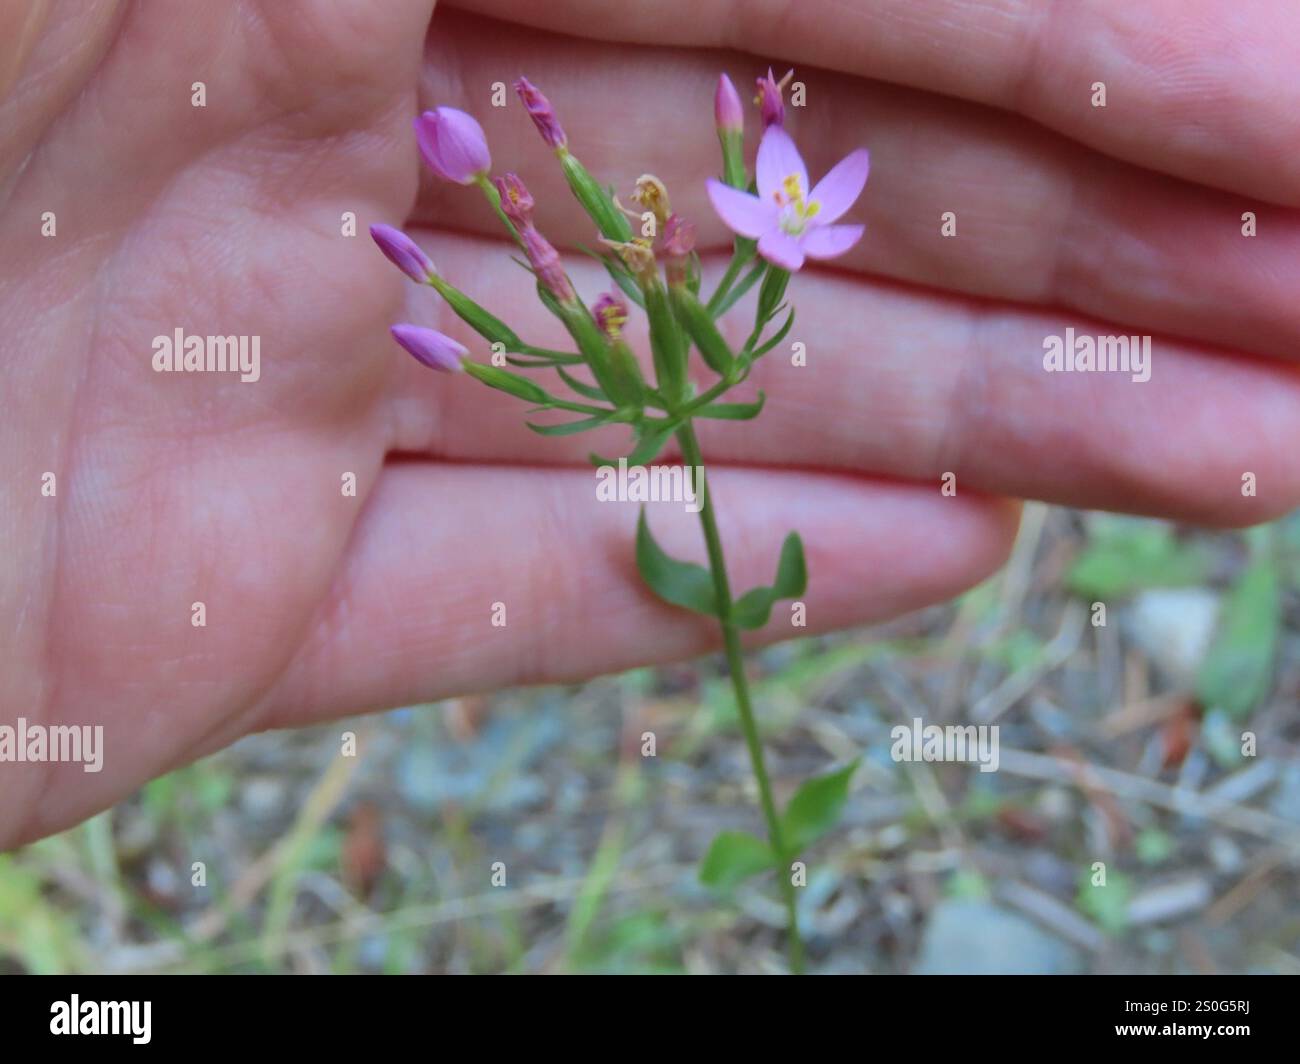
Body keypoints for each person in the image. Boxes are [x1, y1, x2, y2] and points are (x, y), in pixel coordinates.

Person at [2, 0, 1297, 850]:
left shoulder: (769, 238)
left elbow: (778, 235)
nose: (791, 209)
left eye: (796, 201)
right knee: (559, 324)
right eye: (779, 199)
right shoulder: (716, 242)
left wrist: (763, 217)